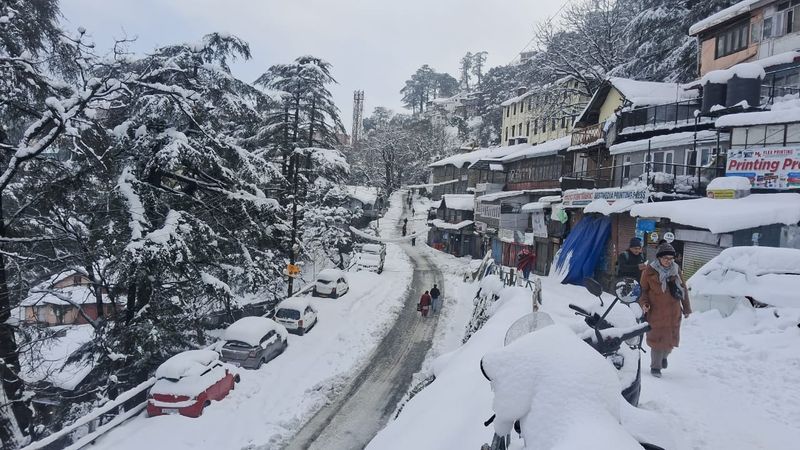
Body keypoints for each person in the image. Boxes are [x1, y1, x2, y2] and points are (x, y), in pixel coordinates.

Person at [638, 243, 692, 378]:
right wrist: (644, 303)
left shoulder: (676, 270)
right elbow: (643, 291)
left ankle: (664, 357)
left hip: (673, 312)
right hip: (656, 312)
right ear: (659, 258)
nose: (669, 261)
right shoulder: (649, 271)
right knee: (657, 341)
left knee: (669, 341)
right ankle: (655, 367)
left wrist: (686, 308)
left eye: (671, 258)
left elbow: (683, 289)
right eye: (666, 258)